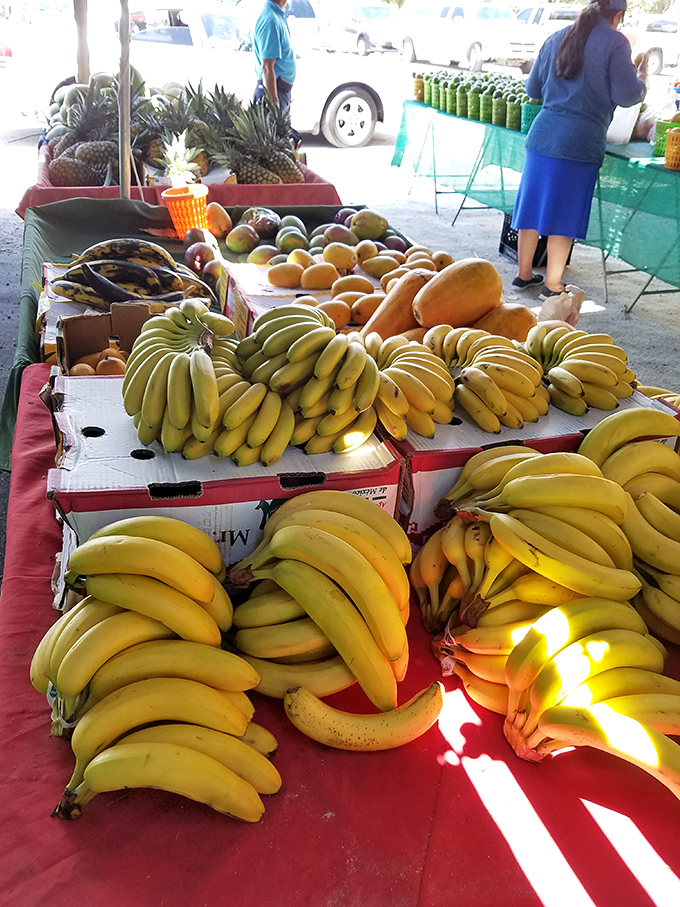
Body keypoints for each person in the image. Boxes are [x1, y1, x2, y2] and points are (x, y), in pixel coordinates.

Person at [511, 0, 647, 299]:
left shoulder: (557, 36)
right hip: (579, 141)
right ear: (619, 16)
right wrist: (642, 83)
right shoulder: (615, 43)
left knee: (531, 206)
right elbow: (626, 95)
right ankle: (553, 285)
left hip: (542, 136)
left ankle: (523, 275)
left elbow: (532, 89)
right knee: (564, 214)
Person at [252, 0, 296, 112]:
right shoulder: (270, 19)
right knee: (275, 129)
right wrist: (274, 104)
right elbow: (267, 67)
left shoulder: (276, 14)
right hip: (273, 91)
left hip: (280, 89)